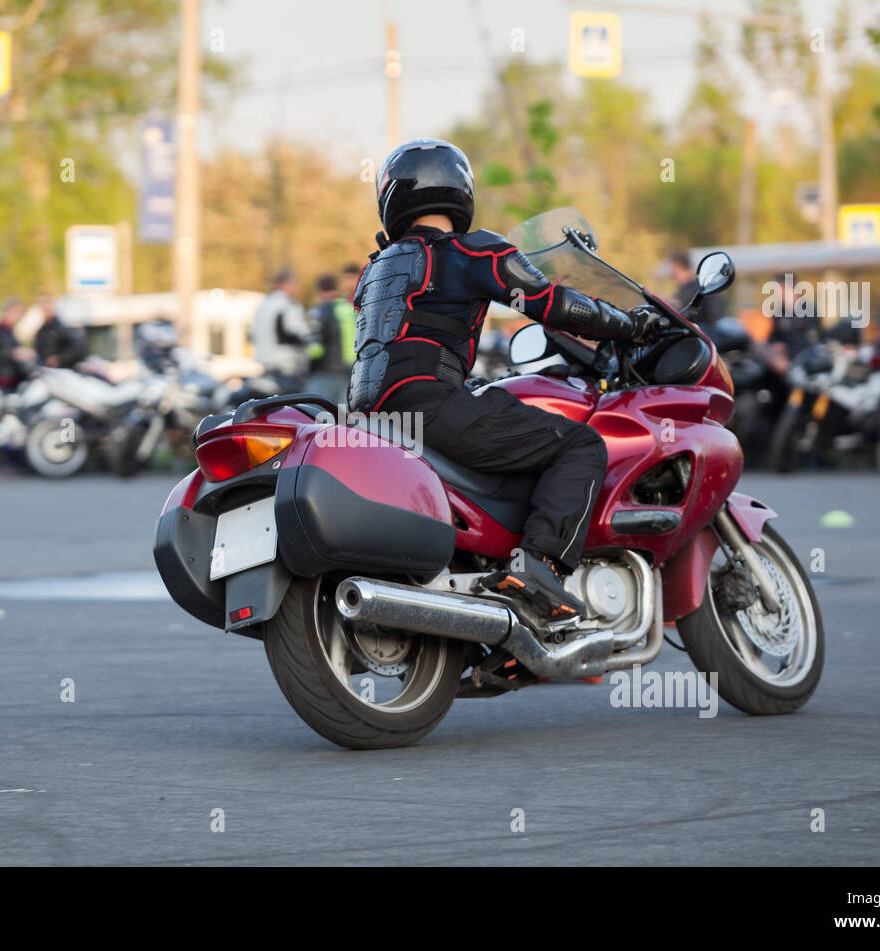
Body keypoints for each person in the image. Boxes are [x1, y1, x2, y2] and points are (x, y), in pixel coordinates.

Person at [349, 138, 667, 620]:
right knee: (579, 445)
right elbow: (550, 303)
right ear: (460, 188)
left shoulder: (375, 272)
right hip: (429, 404)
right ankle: (539, 569)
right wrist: (628, 324)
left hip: (370, 413)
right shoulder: (468, 251)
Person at [250, 268, 310, 385]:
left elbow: (252, 335)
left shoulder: (263, 305)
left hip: (265, 368)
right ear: (288, 284)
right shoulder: (288, 305)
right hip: (286, 369)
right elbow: (298, 335)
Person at [306, 273, 356, 403]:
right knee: (343, 417)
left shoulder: (319, 311)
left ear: (319, 290)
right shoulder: (349, 308)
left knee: (317, 416)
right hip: (349, 373)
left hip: (326, 373)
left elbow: (315, 349)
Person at [0, 297, 31, 389]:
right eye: (15, 312)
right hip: (1, 376)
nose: (18, 315)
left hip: (13, 374)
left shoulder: (10, 331)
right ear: (6, 311)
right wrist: (13, 354)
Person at [670, 251, 724, 327]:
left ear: (680, 266)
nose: (672, 273)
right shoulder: (694, 286)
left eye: (674, 268)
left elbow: (679, 304)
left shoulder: (693, 288)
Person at [33, 294, 87, 369]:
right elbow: (38, 353)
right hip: (46, 371)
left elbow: (77, 348)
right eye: (43, 304)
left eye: (48, 303)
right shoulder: (41, 331)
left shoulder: (64, 327)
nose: (45, 307)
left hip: (64, 371)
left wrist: (59, 359)